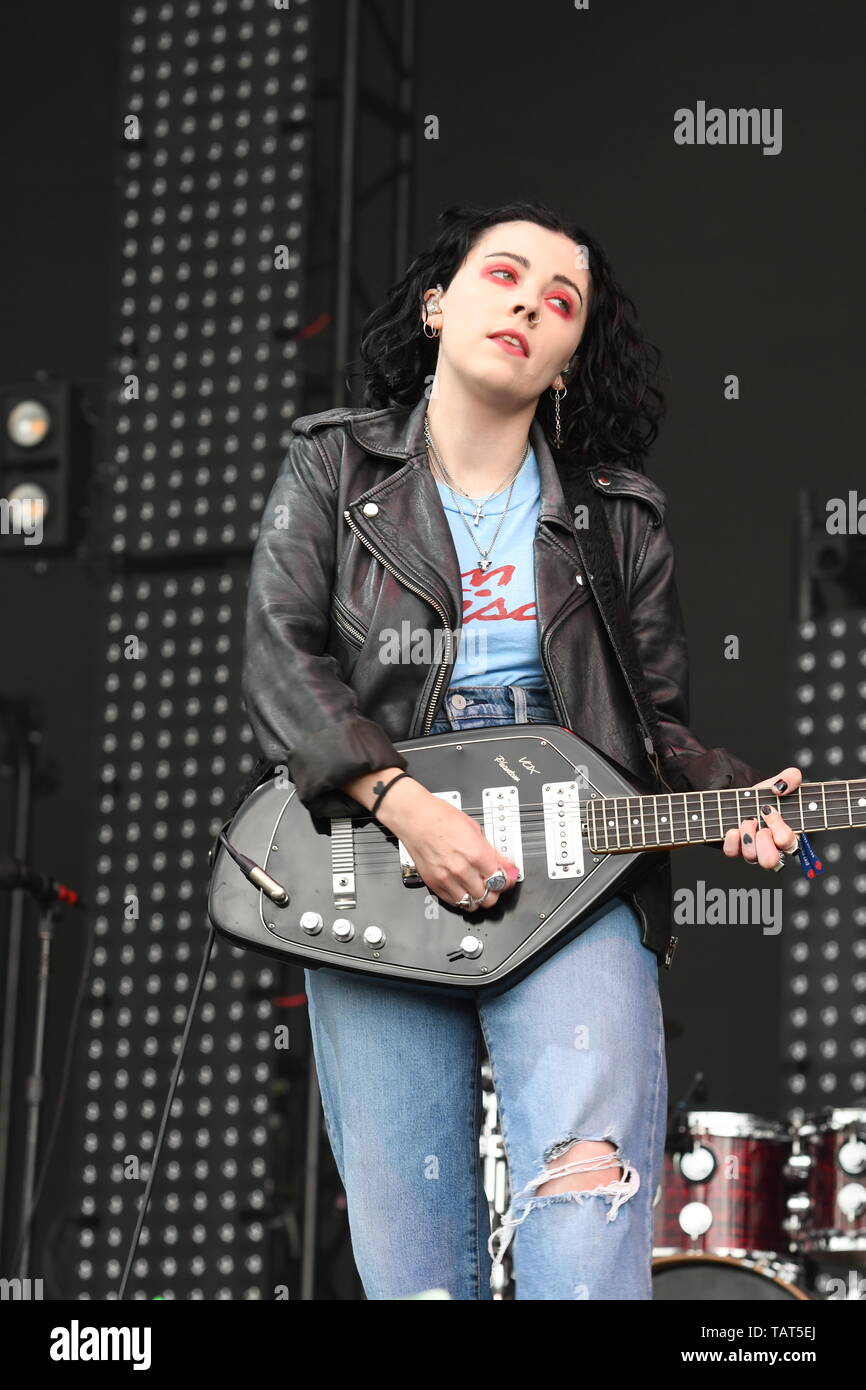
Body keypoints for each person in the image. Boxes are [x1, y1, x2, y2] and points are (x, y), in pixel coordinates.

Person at [241, 199, 802, 1300]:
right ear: (439, 303)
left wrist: (732, 793)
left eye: (561, 302)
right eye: (504, 274)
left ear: (565, 362)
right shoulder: (331, 468)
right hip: (379, 856)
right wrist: (404, 802)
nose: (529, 305)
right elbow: (277, 660)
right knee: (409, 1263)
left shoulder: (618, 516)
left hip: (578, 866)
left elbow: (653, 732)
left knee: (587, 1199)